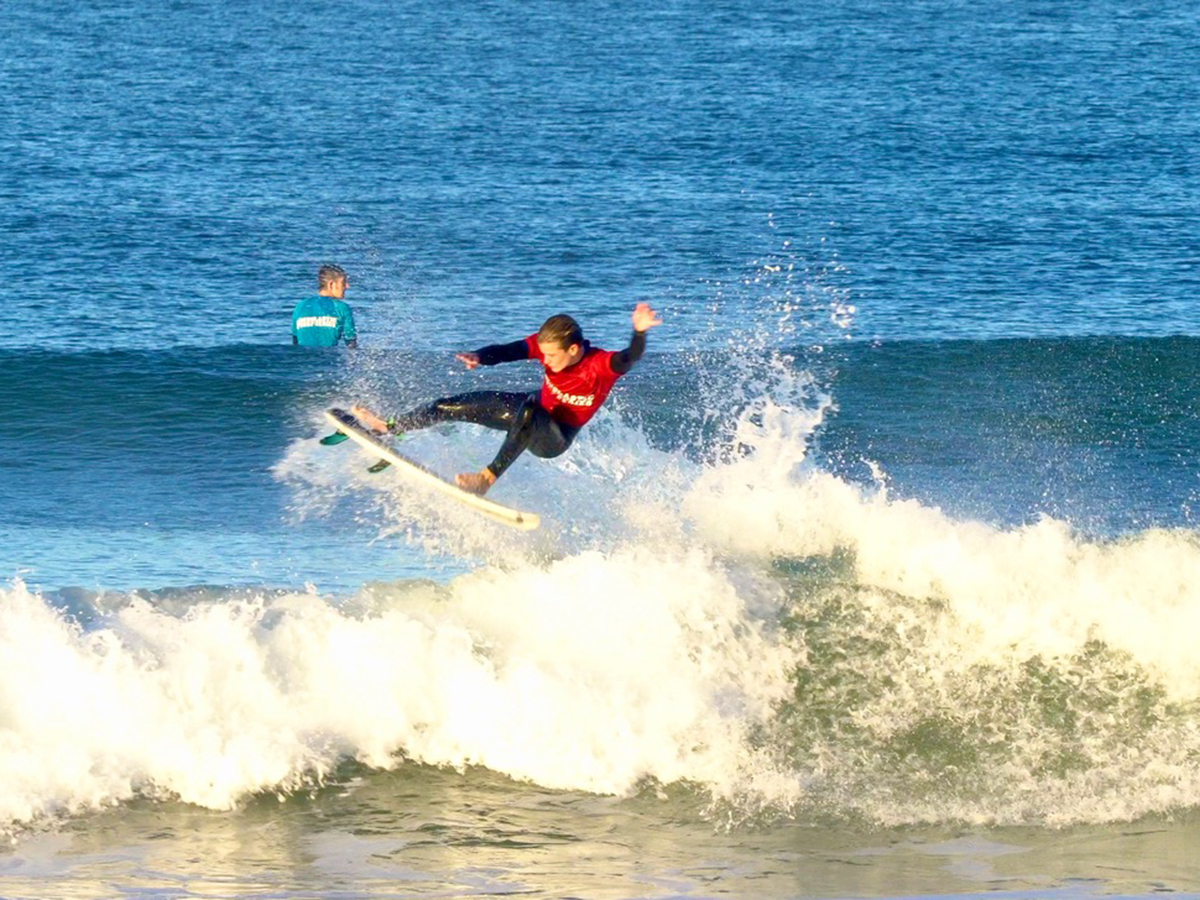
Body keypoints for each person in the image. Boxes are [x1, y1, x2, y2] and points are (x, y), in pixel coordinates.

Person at [353, 302, 662, 495]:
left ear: (574, 349)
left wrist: (639, 332)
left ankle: (486, 480)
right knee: (449, 405)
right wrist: (480, 357)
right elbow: (510, 350)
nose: (546, 360)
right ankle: (389, 427)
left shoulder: (599, 365)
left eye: (552, 356)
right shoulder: (547, 348)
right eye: (544, 353)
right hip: (531, 411)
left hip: (553, 438)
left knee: (528, 409)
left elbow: (629, 358)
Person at [292, 265, 357, 347]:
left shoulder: (300, 306)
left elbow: (295, 343)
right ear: (331, 284)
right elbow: (351, 342)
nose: (347, 286)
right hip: (328, 357)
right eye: (343, 283)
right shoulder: (341, 307)